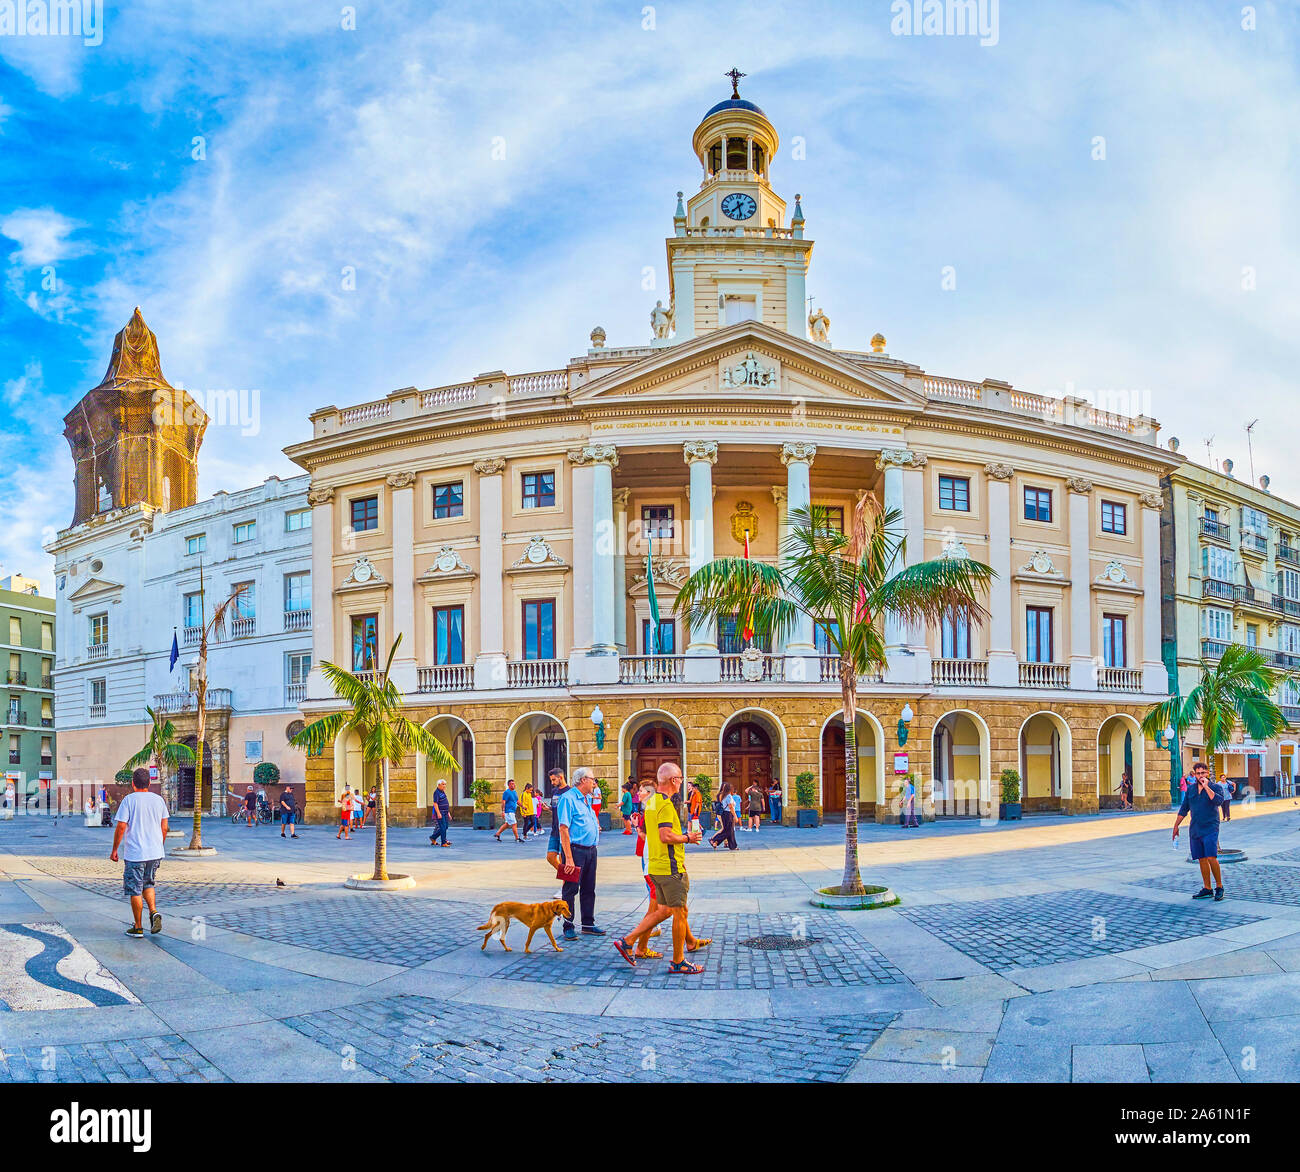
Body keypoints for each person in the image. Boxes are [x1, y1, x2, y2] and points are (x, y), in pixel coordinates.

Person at [614, 762, 708, 976]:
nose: (683, 781)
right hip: (670, 867)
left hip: (655, 865)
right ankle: (678, 961)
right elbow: (666, 836)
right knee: (680, 913)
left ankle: (627, 941)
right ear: (674, 780)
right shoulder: (665, 805)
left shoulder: (653, 801)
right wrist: (688, 837)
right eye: (681, 777)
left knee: (664, 910)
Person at [110, 768, 169, 938]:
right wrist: (159, 844)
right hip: (155, 852)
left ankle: (138, 927)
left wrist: (115, 849)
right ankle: (153, 912)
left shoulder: (129, 800)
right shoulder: (159, 800)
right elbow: (164, 827)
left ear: (133, 784)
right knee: (148, 883)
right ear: (149, 783)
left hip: (136, 854)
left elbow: (121, 827)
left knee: (135, 889)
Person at [557, 766, 603, 939]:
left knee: (589, 888)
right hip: (575, 851)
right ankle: (568, 925)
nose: (594, 782)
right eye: (592, 779)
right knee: (570, 889)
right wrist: (568, 858)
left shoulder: (587, 799)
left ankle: (588, 924)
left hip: (591, 851)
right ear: (583, 780)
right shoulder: (567, 799)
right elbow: (563, 828)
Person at [1173, 760, 1229, 901]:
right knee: (1201, 858)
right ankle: (1207, 888)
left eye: (1203, 773)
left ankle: (1219, 886)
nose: (1200, 776)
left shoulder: (1215, 787)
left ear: (1207, 773)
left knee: (1211, 856)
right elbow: (1184, 809)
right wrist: (1176, 826)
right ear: (1195, 774)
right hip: (1196, 828)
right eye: (1198, 773)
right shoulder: (1191, 790)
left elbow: (1218, 801)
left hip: (1211, 827)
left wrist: (1206, 787)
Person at [710, 782, 739, 850]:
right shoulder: (728, 796)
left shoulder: (723, 795)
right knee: (728, 831)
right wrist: (735, 816)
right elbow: (730, 806)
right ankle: (715, 840)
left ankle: (732, 846)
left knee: (730, 831)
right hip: (728, 814)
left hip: (725, 814)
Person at [429, 779, 452, 847]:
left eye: (445, 784)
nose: (444, 786)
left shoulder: (443, 792)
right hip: (440, 812)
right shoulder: (436, 792)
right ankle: (443, 843)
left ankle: (433, 837)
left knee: (446, 827)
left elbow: (445, 803)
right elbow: (435, 804)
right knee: (442, 827)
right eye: (443, 784)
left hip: (445, 812)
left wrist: (448, 813)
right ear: (439, 785)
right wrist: (438, 813)